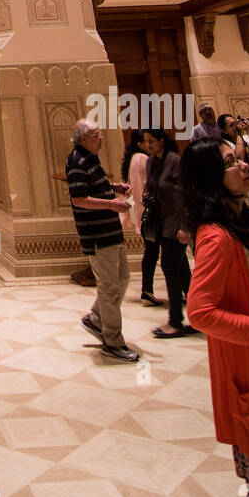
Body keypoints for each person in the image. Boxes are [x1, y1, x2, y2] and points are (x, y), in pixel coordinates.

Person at [182, 137, 249, 497]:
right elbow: (201, 312)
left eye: (239, 158)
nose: (243, 165)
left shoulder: (241, 219)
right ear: (209, 178)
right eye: (229, 162)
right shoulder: (217, 236)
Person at [66, 120, 139, 362]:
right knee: (109, 286)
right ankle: (113, 341)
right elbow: (79, 198)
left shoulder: (90, 159)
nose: (102, 138)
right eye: (97, 134)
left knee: (121, 279)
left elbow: (92, 188)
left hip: (110, 231)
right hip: (97, 234)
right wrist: (111, 204)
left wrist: (113, 187)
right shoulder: (76, 160)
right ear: (83, 138)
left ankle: (96, 318)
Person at [141, 128, 195, 338]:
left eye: (151, 141)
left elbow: (186, 194)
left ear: (162, 141)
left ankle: (175, 321)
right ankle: (199, 314)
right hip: (160, 222)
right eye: (146, 142)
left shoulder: (176, 161)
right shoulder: (150, 163)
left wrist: (186, 226)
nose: (148, 145)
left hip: (176, 222)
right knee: (181, 271)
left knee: (169, 267)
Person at [121, 128, 163, 307]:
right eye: (147, 141)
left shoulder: (133, 159)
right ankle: (188, 290)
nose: (150, 144)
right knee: (172, 253)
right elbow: (152, 185)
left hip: (143, 212)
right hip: (153, 212)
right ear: (140, 143)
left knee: (152, 252)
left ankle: (147, 290)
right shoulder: (145, 159)